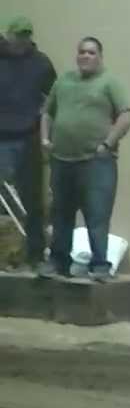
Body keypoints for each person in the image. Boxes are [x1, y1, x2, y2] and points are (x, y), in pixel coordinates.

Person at [38, 36, 130, 281]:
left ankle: (100, 265)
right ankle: (58, 261)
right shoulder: (64, 81)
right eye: (82, 52)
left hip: (96, 161)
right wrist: (45, 139)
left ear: (100, 56)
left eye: (91, 53)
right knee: (60, 213)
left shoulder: (109, 82)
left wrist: (108, 143)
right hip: (62, 159)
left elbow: (127, 114)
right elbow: (47, 113)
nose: (85, 56)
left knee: (97, 215)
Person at [0, 16, 56, 268]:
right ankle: (6, 254)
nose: (22, 39)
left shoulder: (41, 63)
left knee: (32, 198)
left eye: (26, 35)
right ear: (8, 35)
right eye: (17, 35)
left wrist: (45, 131)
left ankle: (34, 253)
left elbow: (53, 98)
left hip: (29, 137)